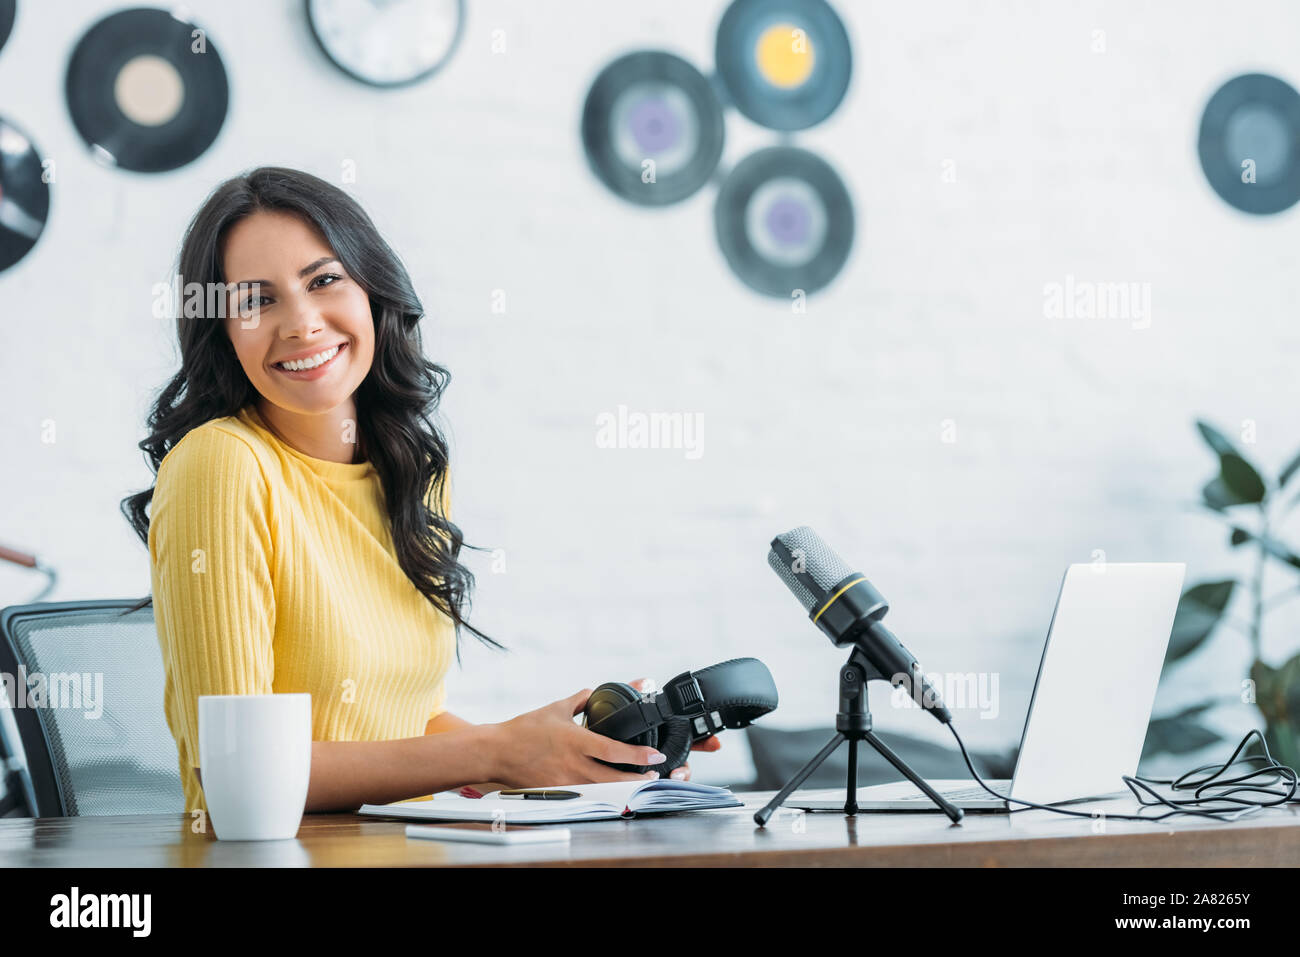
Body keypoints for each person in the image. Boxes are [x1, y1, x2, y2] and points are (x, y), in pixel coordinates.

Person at [120, 166, 719, 814]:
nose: (301, 323)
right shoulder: (222, 464)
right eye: (255, 300)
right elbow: (238, 774)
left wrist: (573, 758)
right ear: (223, 332)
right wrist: (495, 751)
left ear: (371, 289)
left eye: (324, 280)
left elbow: (406, 722)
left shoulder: (407, 469)